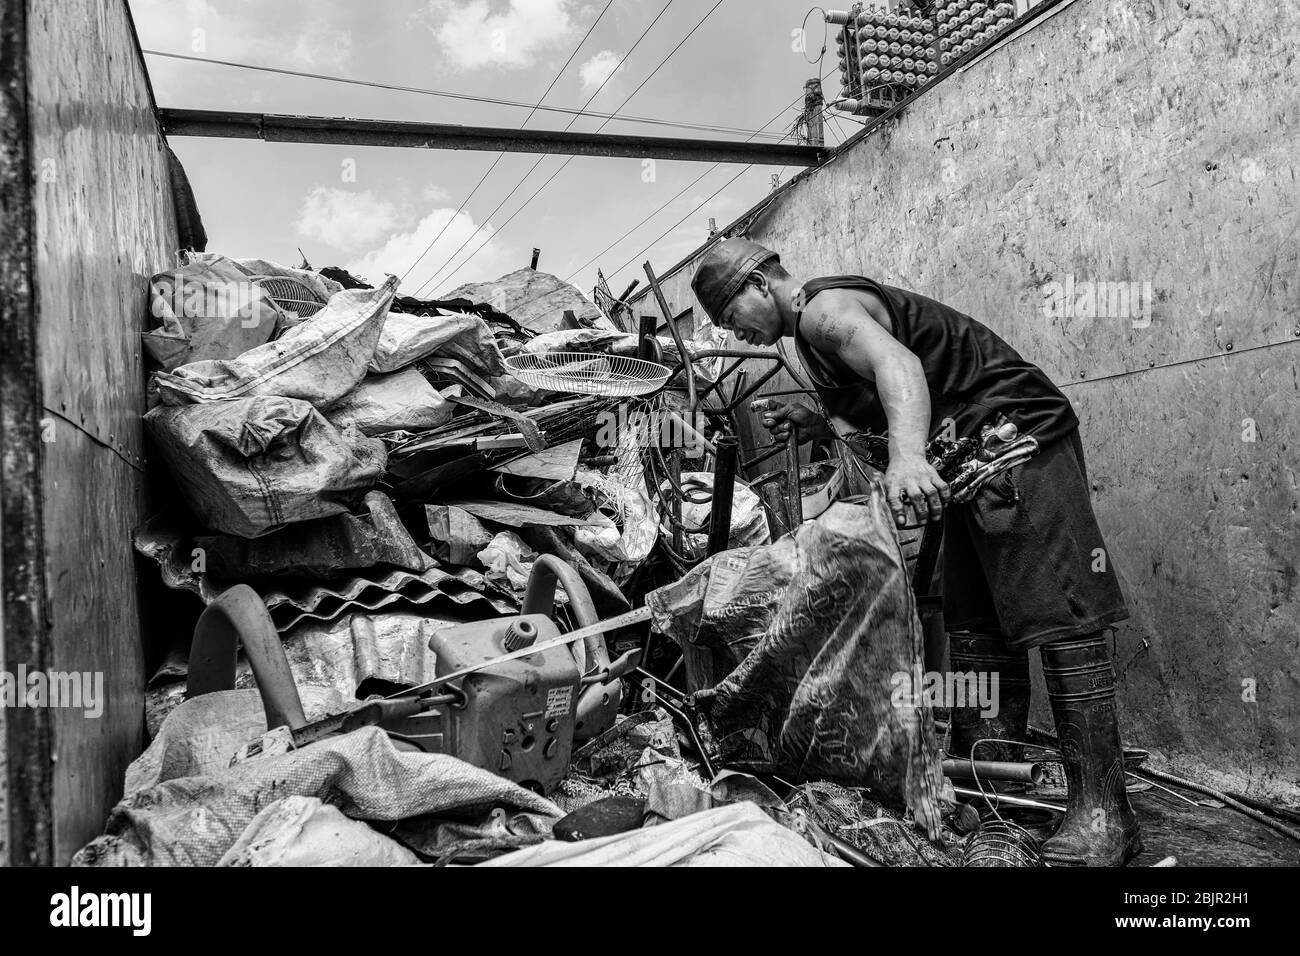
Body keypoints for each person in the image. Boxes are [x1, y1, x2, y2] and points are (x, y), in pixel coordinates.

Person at [689, 237, 1142, 867]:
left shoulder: (822, 310)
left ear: (761, 284)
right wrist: (820, 426)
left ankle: (1105, 813)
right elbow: (886, 389)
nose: (730, 328)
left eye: (728, 311)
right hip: (967, 467)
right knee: (976, 624)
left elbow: (897, 365)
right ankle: (998, 792)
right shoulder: (807, 340)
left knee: (1064, 615)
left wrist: (906, 458)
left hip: (1013, 437)